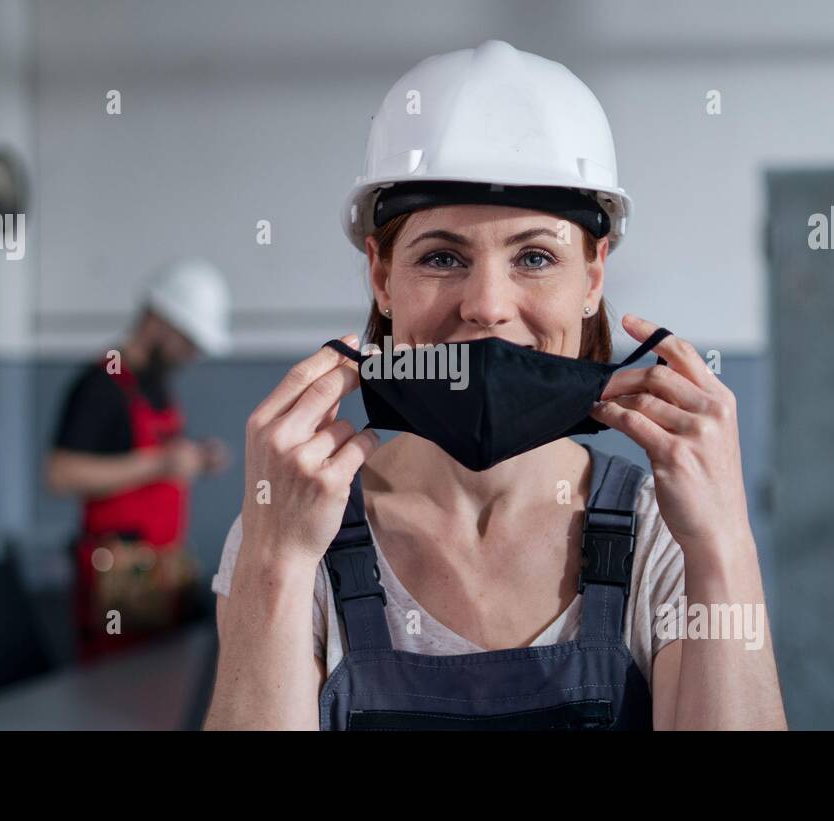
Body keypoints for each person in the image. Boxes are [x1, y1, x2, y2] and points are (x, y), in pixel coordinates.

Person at [204, 41, 786, 729]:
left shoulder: (663, 533)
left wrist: (723, 543)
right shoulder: (299, 530)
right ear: (383, 277)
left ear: (593, 277)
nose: (486, 304)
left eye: (535, 256)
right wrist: (276, 558)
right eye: (442, 256)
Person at [47, 259, 232, 661]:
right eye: (186, 341)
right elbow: (60, 474)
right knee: (115, 691)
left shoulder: (157, 386)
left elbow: (142, 453)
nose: (189, 354)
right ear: (158, 320)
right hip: (115, 576)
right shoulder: (101, 385)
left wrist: (197, 456)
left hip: (159, 573)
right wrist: (162, 464)